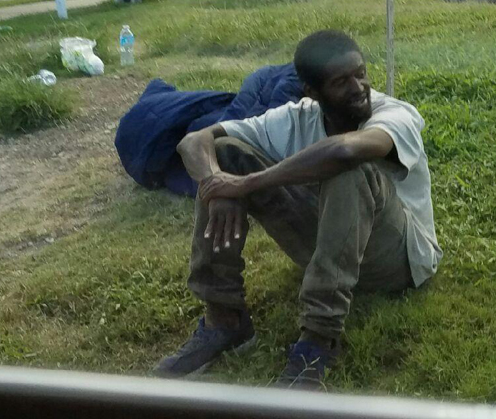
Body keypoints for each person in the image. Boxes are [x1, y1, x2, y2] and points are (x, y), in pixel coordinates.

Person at [154, 30, 441, 390]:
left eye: (361, 74)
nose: (359, 88)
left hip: (397, 260)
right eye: (341, 82)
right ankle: (225, 319)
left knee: (350, 169)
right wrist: (217, 183)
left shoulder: (395, 113)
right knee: (224, 153)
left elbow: (345, 152)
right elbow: (194, 141)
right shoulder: (295, 117)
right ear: (312, 92)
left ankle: (318, 341)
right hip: (329, 243)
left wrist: (245, 184)